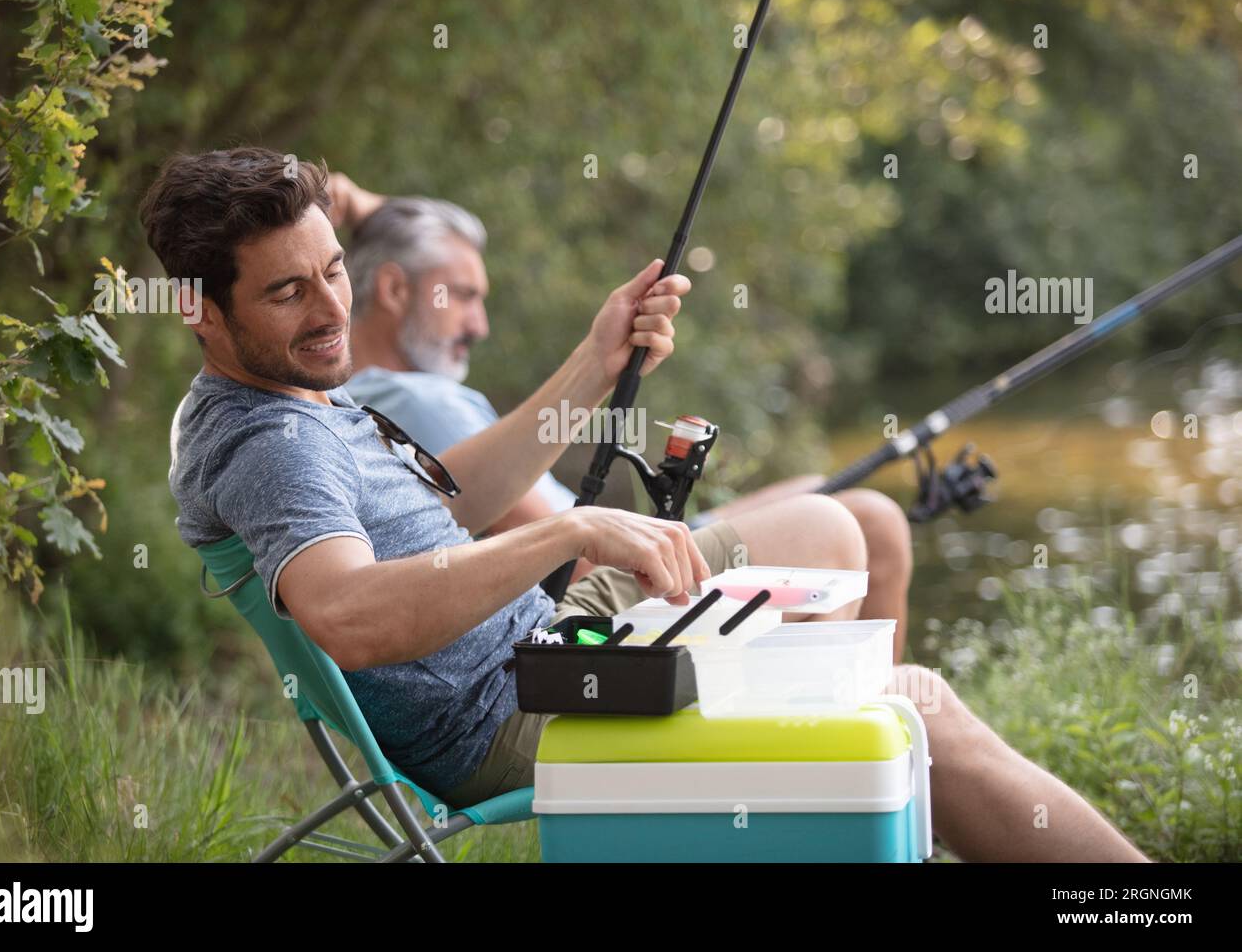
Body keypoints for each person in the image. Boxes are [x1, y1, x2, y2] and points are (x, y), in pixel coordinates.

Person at [151, 147, 1146, 861]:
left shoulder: (296, 394)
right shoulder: (267, 442)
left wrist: (597, 356)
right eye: (289, 292)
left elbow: (451, 501)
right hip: (522, 710)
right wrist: (579, 526)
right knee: (911, 711)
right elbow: (353, 616)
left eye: (333, 272)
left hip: (549, 648)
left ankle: (832, 801)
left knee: (834, 528)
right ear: (202, 306)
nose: (331, 311)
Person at [333, 188, 913, 656]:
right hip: (607, 590)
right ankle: (852, 744)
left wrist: (361, 205)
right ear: (392, 288)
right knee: (864, 521)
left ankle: (866, 731)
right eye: (462, 296)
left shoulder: (381, 398)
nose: (479, 325)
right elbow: (575, 558)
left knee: (827, 500)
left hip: (627, 555)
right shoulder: (416, 402)